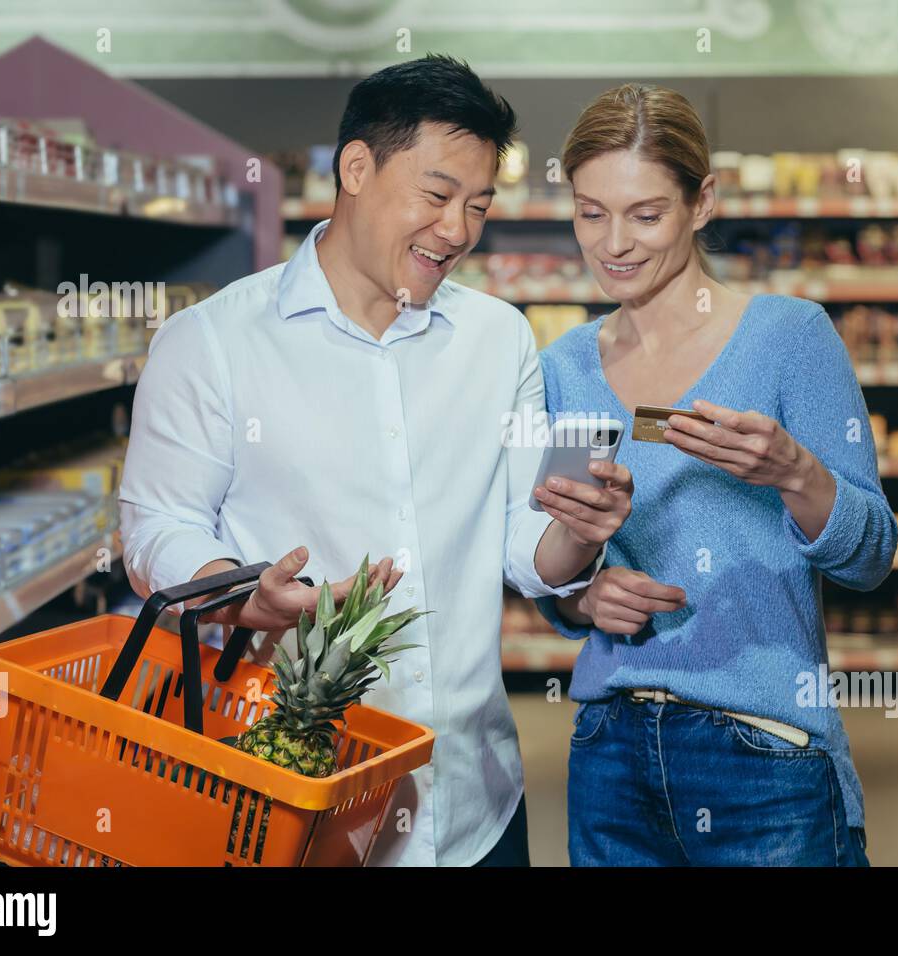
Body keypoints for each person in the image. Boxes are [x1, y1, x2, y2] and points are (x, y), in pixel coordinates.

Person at [119, 55, 633, 867]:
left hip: (475, 805)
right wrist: (241, 593)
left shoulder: (498, 339)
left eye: (478, 205)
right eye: (435, 196)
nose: (458, 230)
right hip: (292, 806)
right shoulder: (212, 343)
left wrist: (581, 529)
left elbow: (526, 546)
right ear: (355, 168)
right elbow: (157, 522)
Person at [536, 84, 898, 866]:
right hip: (610, 749)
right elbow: (558, 565)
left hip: (763, 752)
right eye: (591, 212)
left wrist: (795, 472)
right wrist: (580, 596)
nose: (613, 243)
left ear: (703, 203)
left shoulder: (789, 338)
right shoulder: (564, 367)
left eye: (645, 213)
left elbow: (871, 556)